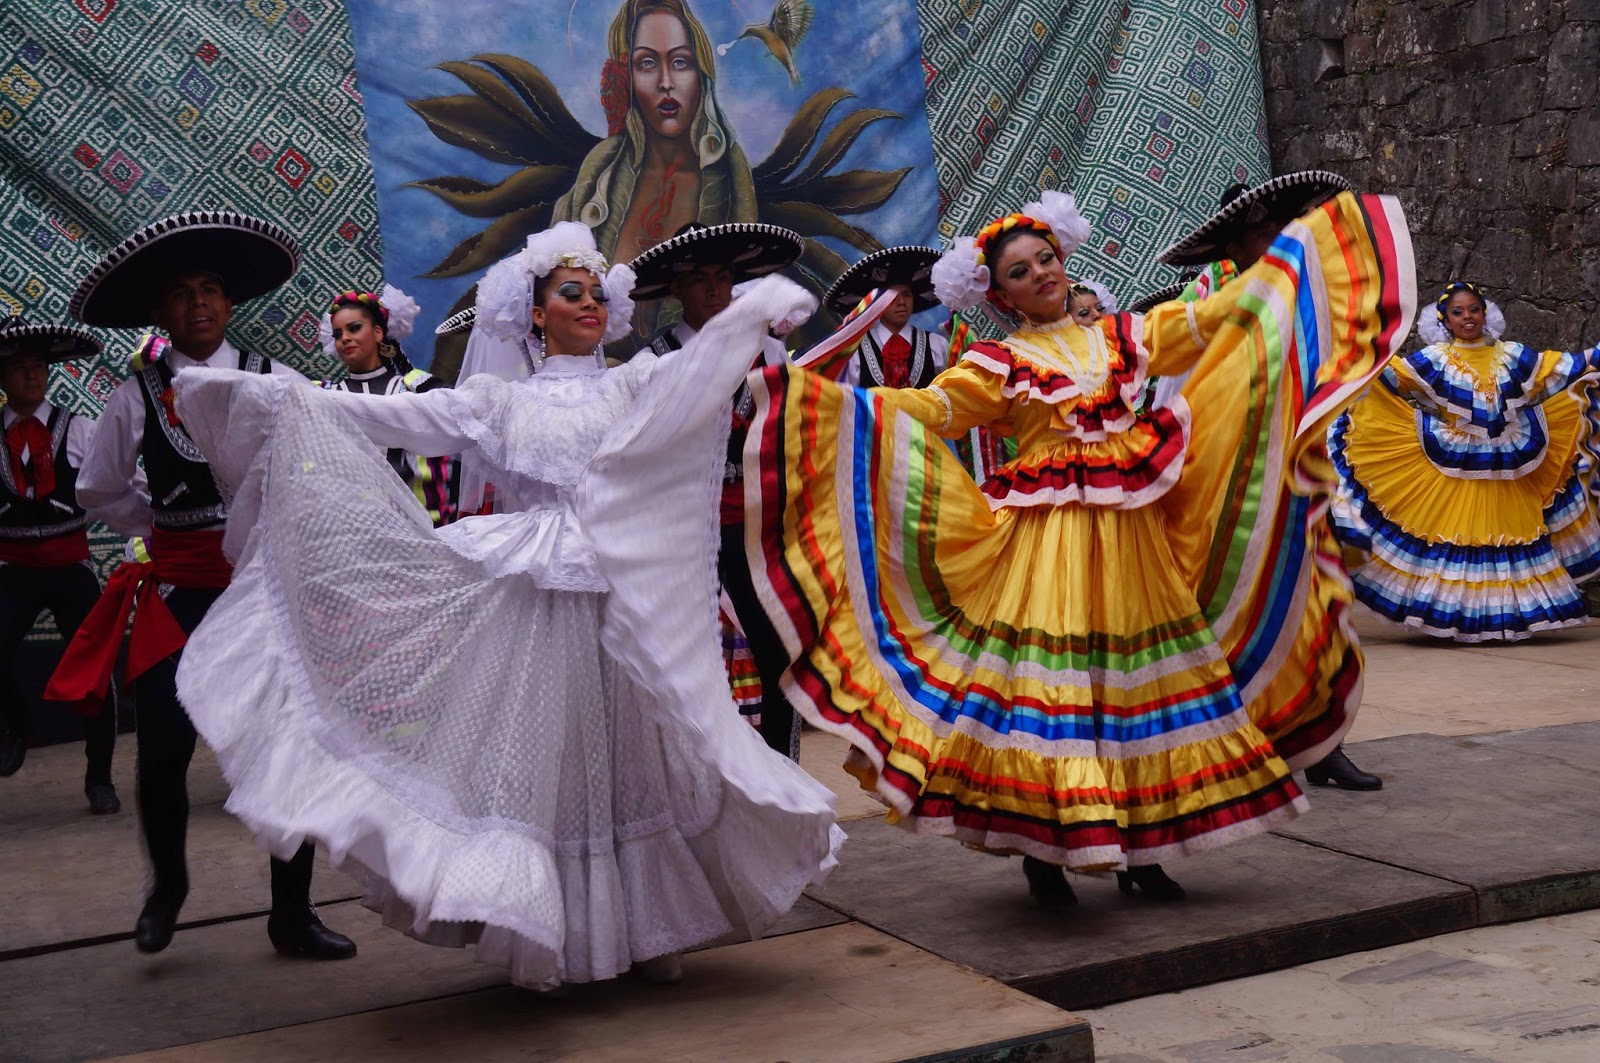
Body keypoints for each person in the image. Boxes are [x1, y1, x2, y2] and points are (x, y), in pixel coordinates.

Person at [164, 221, 838, 993]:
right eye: (569, 293)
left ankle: (650, 923)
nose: (588, 304)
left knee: (639, 757)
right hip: (540, 598)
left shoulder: (630, 382)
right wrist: (272, 393)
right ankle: (558, 921)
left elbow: (701, 375)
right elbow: (386, 418)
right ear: (536, 313)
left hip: (625, 594)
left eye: (595, 293)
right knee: (553, 763)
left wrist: (753, 318)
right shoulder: (498, 402)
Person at [739, 188, 1415, 904]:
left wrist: (1295, 259)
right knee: (1057, 690)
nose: (1041, 275)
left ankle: (1144, 847)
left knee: (1138, 689)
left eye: (1046, 259)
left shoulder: (1126, 334)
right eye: (1021, 272)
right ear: (998, 296)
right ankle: (1048, 850)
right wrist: (833, 401)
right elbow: (935, 408)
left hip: (1133, 541)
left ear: (1065, 259)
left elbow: (1216, 318)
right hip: (1048, 547)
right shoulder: (998, 362)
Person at [47, 210, 356, 960]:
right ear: (159, 312)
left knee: (287, 748)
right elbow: (97, 489)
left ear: (229, 302)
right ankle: (168, 888)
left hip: (263, 592)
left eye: (211, 288)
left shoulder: (275, 381)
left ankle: (292, 913)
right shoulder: (137, 395)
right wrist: (156, 521)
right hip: (179, 595)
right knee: (161, 746)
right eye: (181, 293)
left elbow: (320, 468)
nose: (199, 304)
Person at [1157, 170, 1383, 793]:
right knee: (1226, 619)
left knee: (1318, 608)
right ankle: (1224, 757)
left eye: (1289, 226)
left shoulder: (1305, 296)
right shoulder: (1205, 300)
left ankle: (1323, 744)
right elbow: (1179, 397)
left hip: (1297, 476)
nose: (1284, 238)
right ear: (1236, 243)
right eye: (1268, 230)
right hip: (1226, 489)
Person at [1330, 281, 1600, 641]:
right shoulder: (1437, 359)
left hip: (1509, 461)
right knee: (1460, 534)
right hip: (1457, 460)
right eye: (1458, 312)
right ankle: (1463, 619)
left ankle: (1511, 618)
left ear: (1485, 313)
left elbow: (1562, 367)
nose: (1467, 317)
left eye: (1473, 309)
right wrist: (1349, 354)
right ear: (1445, 320)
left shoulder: (1511, 355)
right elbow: (1385, 376)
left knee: (1510, 532)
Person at [629, 221, 806, 759]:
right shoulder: (651, 364)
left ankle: (784, 777)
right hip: (687, 538)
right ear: (676, 290)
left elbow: (793, 435)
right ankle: (705, 788)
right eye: (700, 278)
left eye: (724, 276)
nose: (714, 289)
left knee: (780, 651)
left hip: (762, 532)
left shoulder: (772, 354)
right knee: (698, 660)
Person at [0, 317, 119, 813]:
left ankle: (99, 778)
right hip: (13, 567)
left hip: (70, 564)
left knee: (97, 671)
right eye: (19, 368)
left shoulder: (79, 429)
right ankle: (20, 722)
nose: (31, 376)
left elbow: (103, 487)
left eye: (39, 367)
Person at [553, 0, 757, 264]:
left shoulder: (729, 174)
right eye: (647, 63)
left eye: (681, 62)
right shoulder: (601, 171)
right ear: (628, 78)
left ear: (701, 73)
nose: (666, 83)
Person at [319, 286, 463, 526]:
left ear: (378, 333)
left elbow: (457, 442)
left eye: (354, 328)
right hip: (350, 528)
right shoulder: (323, 395)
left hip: (424, 529)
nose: (344, 338)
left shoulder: (420, 388)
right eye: (337, 334)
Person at [823, 246, 946, 390]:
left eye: (906, 295)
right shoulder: (855, 351)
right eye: (892, 296)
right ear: (878, 303)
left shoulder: (936, 345)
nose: (901, 302)